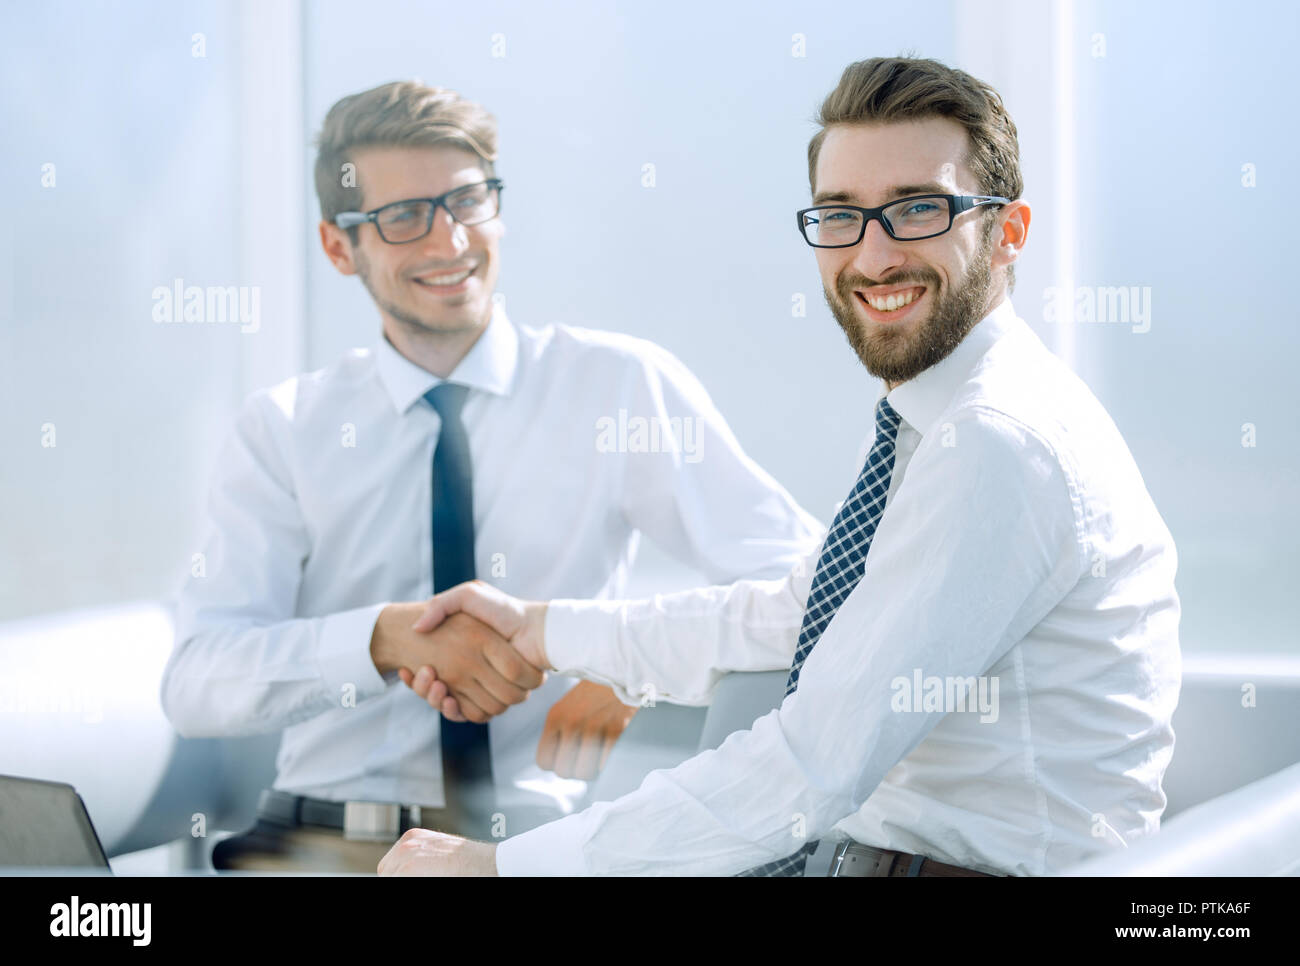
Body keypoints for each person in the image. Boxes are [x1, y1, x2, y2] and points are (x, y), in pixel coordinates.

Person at [381, 56, 1182, 877]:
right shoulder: (942, 424)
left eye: (917, 210)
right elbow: (790, 617)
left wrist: (500, 869)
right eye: (842, 217)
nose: (873, 259)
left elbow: (808, 764)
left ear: (1007, 232)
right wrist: (541, 630)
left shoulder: (997, 443)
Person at [159, 81, 823, 873]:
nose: (449, 243)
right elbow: (197, 682)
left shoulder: (617, 387)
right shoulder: (285, 427)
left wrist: (631, 667)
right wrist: (381, 638)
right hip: (318, 844)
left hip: (525, 847)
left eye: (467, 202)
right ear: (341, 248)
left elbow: (804, 575)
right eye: (402, 217)